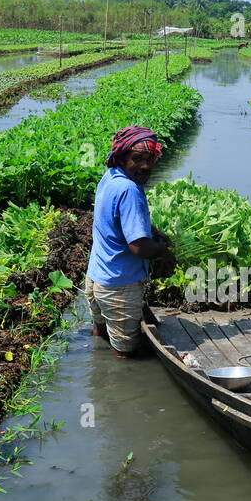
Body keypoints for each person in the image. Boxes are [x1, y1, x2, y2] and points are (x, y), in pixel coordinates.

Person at [85, 126, 174, 358]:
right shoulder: (130, 189)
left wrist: (152, 231)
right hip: (119, 286)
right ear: (123, 158)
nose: (145, 166)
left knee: (100, 332)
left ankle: (97, 379)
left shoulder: (111, 177)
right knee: (125, 355)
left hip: (96, 278)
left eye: (150, 159)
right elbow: (138, 247)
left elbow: (116, 220)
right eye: (137, 159)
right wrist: (163, 252)